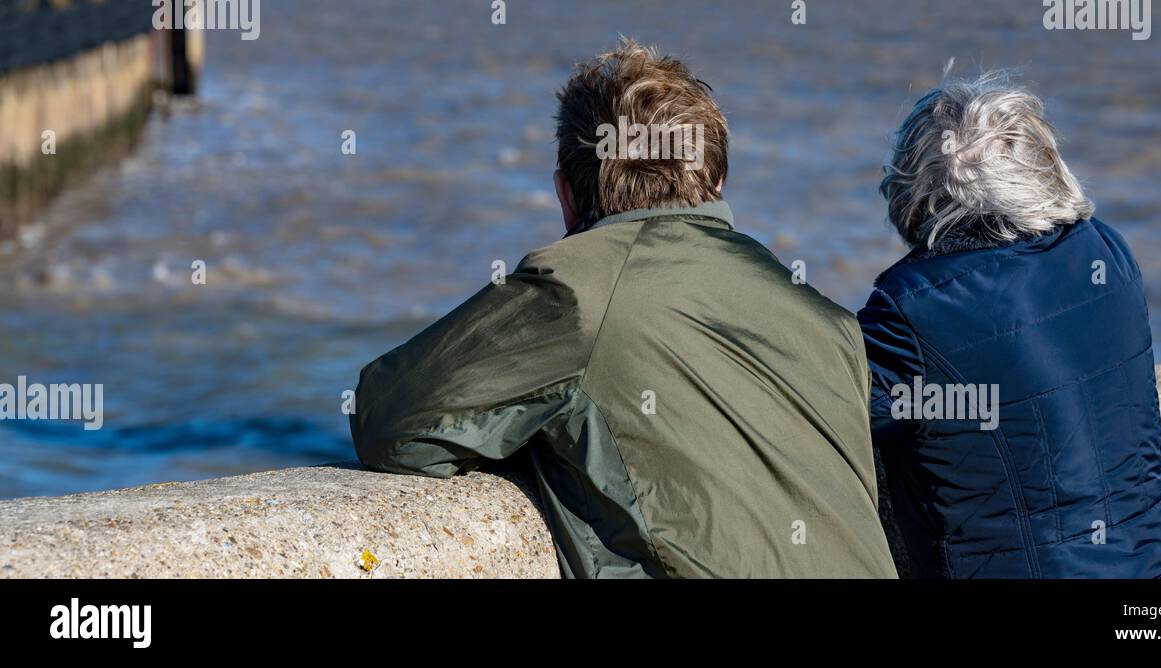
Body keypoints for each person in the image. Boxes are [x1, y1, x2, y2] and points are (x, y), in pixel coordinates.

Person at [351, 40, 897, 579]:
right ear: (719, 181)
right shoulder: (832, 325)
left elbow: (389, 421)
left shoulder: (579, 292)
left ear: (565, 193)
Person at [859, 71, 1161, 578]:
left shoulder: (913, 311)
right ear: (1044, 167)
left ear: (913, 190)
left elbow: (829, 406)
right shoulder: (1108, 257)